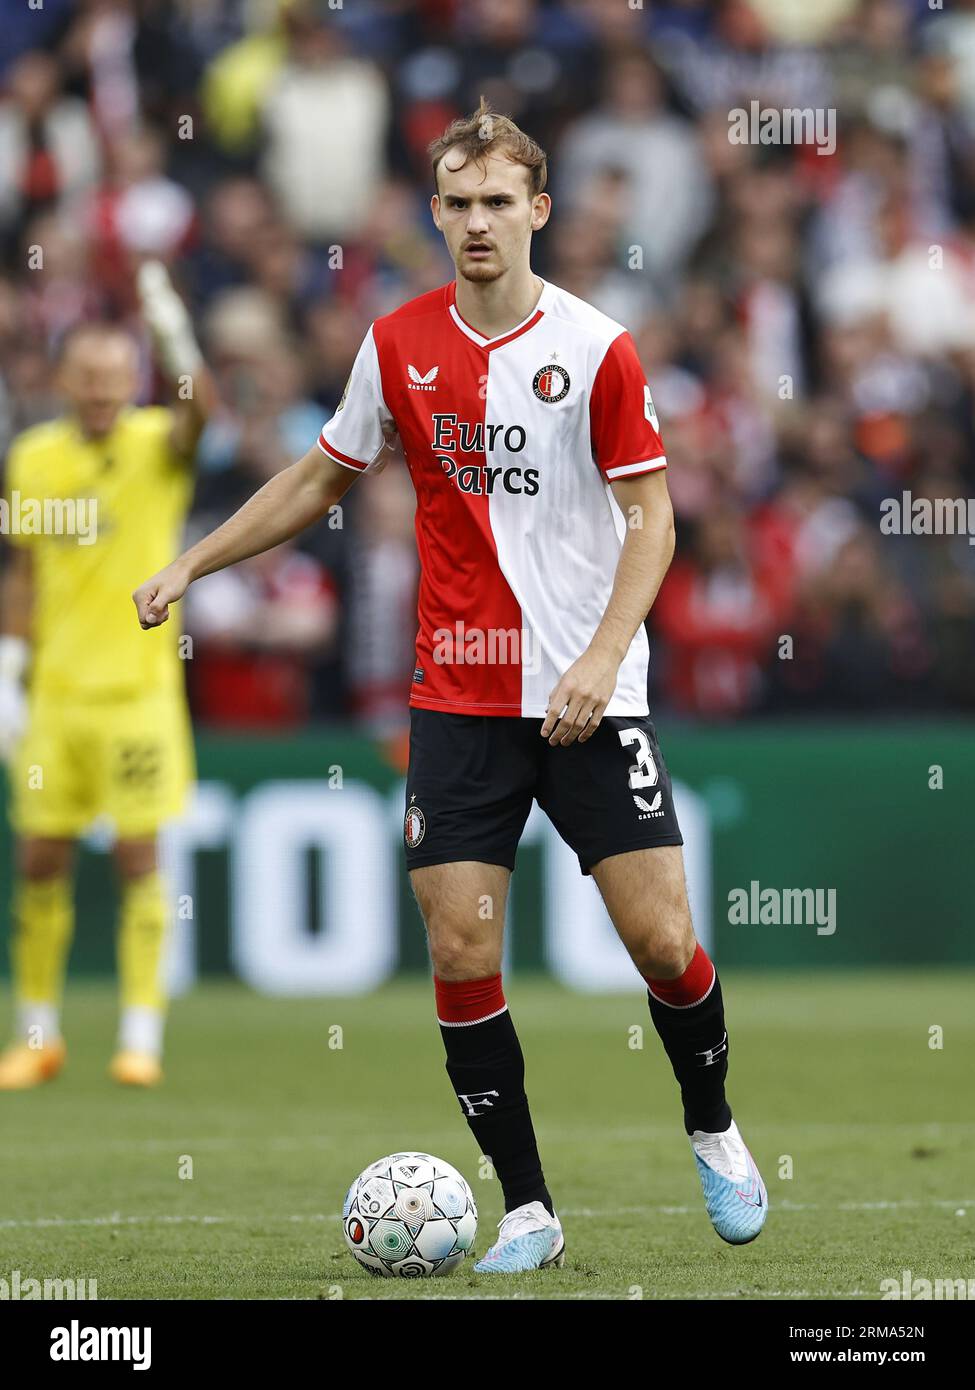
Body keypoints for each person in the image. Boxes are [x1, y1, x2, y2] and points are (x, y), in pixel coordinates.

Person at [132, 101, 767, 1269]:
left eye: (498, 202)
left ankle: (714, 1124)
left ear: (539, 209)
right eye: (459, 203)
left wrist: (600, 657)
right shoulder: (396, 344)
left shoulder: (597, 349)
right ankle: (528, 1208)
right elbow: (319, 477)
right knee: (464, 952)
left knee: (663, 941)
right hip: (458, 697)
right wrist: (191, 561)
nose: (479, 222)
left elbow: (654, 520)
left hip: (589, 694)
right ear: (435, 213)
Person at [0, 264, 212, 1089]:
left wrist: (175, 338)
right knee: (38, 860)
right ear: (62, 380)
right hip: (55, 696)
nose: (99, 391)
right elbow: (23, 571)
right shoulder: (33, 458)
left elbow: (200, 414)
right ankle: (38, 1034)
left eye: (114, 376)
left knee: (138, 858)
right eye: (86, 376)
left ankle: (140, 1034)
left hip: (136, 696)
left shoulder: (155, 446)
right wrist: (9, 667)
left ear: (133, 380)